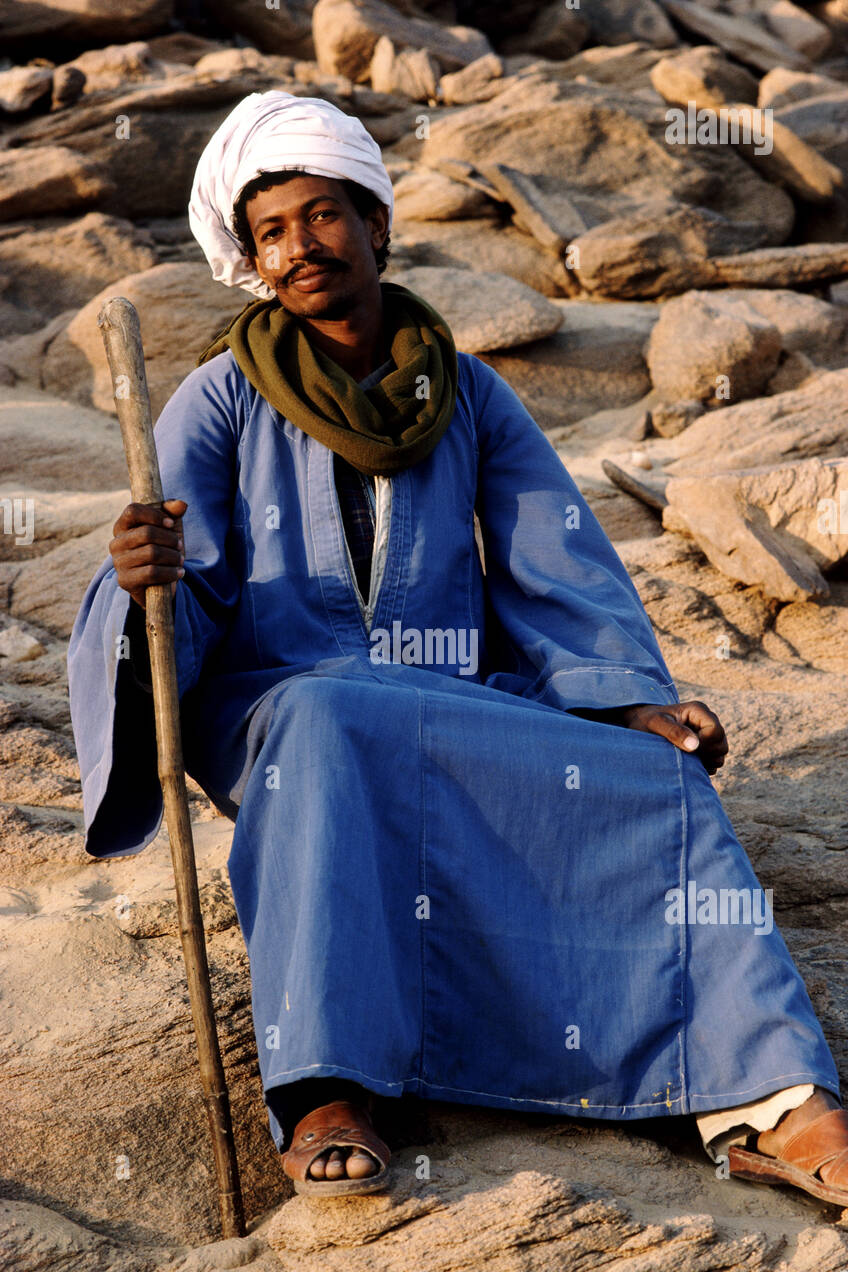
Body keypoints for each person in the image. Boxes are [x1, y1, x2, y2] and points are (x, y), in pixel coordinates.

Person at [68, 91, 848, 1203]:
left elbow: (555, 562)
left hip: (452, 701)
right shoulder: (216, 400)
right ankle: (330, 1088)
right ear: (249, 259)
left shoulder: (467, 391)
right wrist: (140, 580)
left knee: (659, 780)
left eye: (322, 215)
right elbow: (176, 604)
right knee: (330, 715)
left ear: (375, 224)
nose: (301, 246)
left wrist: (627, 699)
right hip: (282, 709)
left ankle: (769, 1101)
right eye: (273, 231)